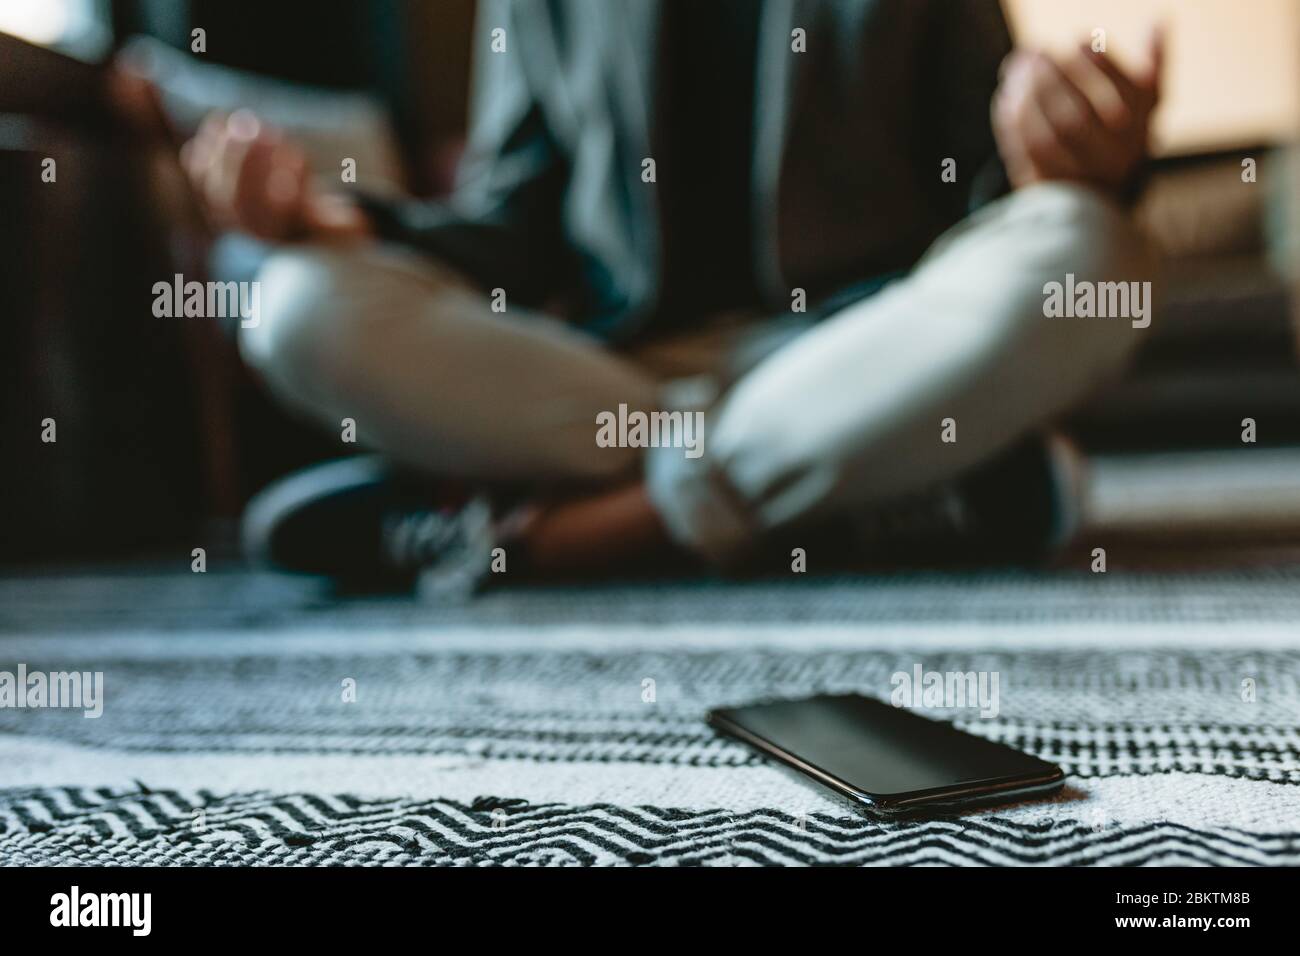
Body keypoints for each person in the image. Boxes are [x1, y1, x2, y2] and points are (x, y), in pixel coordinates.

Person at [180, 0, 1162, 588]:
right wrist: (335, 225)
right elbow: (511, 226)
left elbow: (984, 195)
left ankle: (570, 530)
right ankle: (864, 487)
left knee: (1090, 253)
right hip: (615, 383)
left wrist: (1065, 165)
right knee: (297, 302)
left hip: (848, 348)